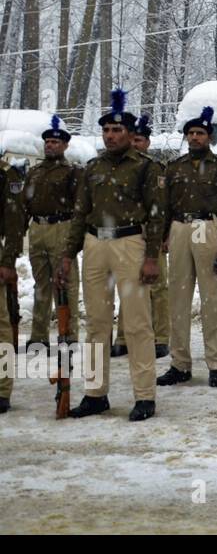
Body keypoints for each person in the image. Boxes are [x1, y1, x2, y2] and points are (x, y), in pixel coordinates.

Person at [58, 89, 166, 421]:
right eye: (106, 130)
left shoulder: (146, 167)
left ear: (131, 134)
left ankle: (145, 396)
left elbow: (157, 214)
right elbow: (80, 212)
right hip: (94, 245)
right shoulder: (92, 168)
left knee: (136, 323)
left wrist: (151, 257)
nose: (110, 135)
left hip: (129, 243)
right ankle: (95, 393)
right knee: (96, 323)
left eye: (117, 130)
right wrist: (67, 254)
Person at [157, 106, 217, 389]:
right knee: (177, 299)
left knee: (211, 298)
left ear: (209, 137)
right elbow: (165, 205)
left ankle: (216, 364)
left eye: (199, 133)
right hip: (179, 227)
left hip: (206, 226)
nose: (194, 138)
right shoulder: (174, 167)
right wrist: (164, 234)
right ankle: (179, 363)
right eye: (190, 133)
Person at [22, 116, 82, 351]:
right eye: (47, 141)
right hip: (37, 228)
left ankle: (69, 334)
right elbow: (25, 203)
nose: (50, 145)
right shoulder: (35, 172)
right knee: (41, 285)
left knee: (65, 284)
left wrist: (75, 239)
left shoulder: (72, 172)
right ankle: (39, 337)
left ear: (65, 145)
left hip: (62, 228)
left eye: (55, 142)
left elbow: (80, 207)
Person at [112, 114, 169, 359]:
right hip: (127, 232)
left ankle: (161, 337)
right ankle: (123, 337)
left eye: (140, 140)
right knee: (128, 285)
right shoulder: (120, 168)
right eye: (132, 140)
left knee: (157, 286)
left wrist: (165, 235)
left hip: (153, 232)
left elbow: (166, 205)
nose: (136, 144)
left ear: (147, 142)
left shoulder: (156, 169)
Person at [0, 154, 25, 413]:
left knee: (1, 326)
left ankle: (2, 388)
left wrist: (8, 260)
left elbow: (15, 221)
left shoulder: (6, 174)